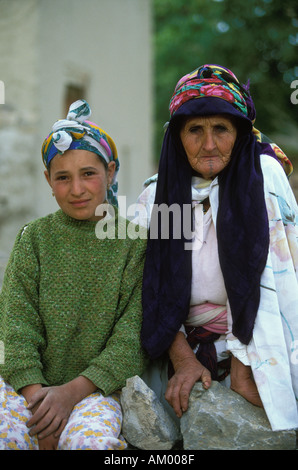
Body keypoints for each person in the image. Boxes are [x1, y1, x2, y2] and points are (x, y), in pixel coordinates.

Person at [136, 64, 298, 432]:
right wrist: (183, 361)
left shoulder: (262, 180)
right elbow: (148, 289)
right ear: (176, 137)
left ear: (240, 133)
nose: (209, 145)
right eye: (195, 130)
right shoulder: (160, 197)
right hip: (177, 356)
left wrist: (243, 366)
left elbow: (275, 285)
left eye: (221, 129)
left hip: (263, 355)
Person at [0, 99, 148, 450]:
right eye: (63, 177)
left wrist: (70, 394)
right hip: (23, 388)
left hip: (94, 391)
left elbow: (132, 336)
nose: (77, 189)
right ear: (48, 180)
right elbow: (14, 325)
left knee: (90, 444)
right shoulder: (33, 238)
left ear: (111, 172)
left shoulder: (134, 244)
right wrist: (39, 400)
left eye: (89, 174)